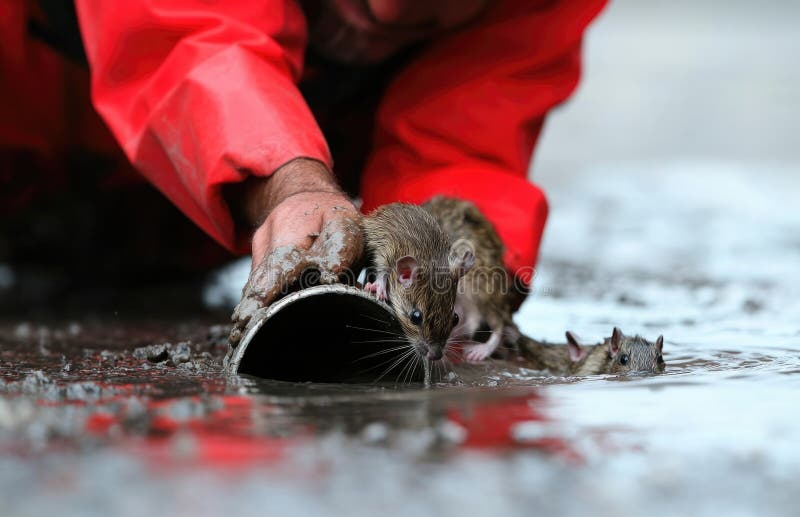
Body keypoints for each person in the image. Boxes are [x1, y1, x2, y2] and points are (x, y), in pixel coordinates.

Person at [1, 0, 606, 319]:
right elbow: (190, 36)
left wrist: (470, 292)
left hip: (167, 246)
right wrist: (292, 185)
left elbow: (462, 154)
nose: (387, 9)